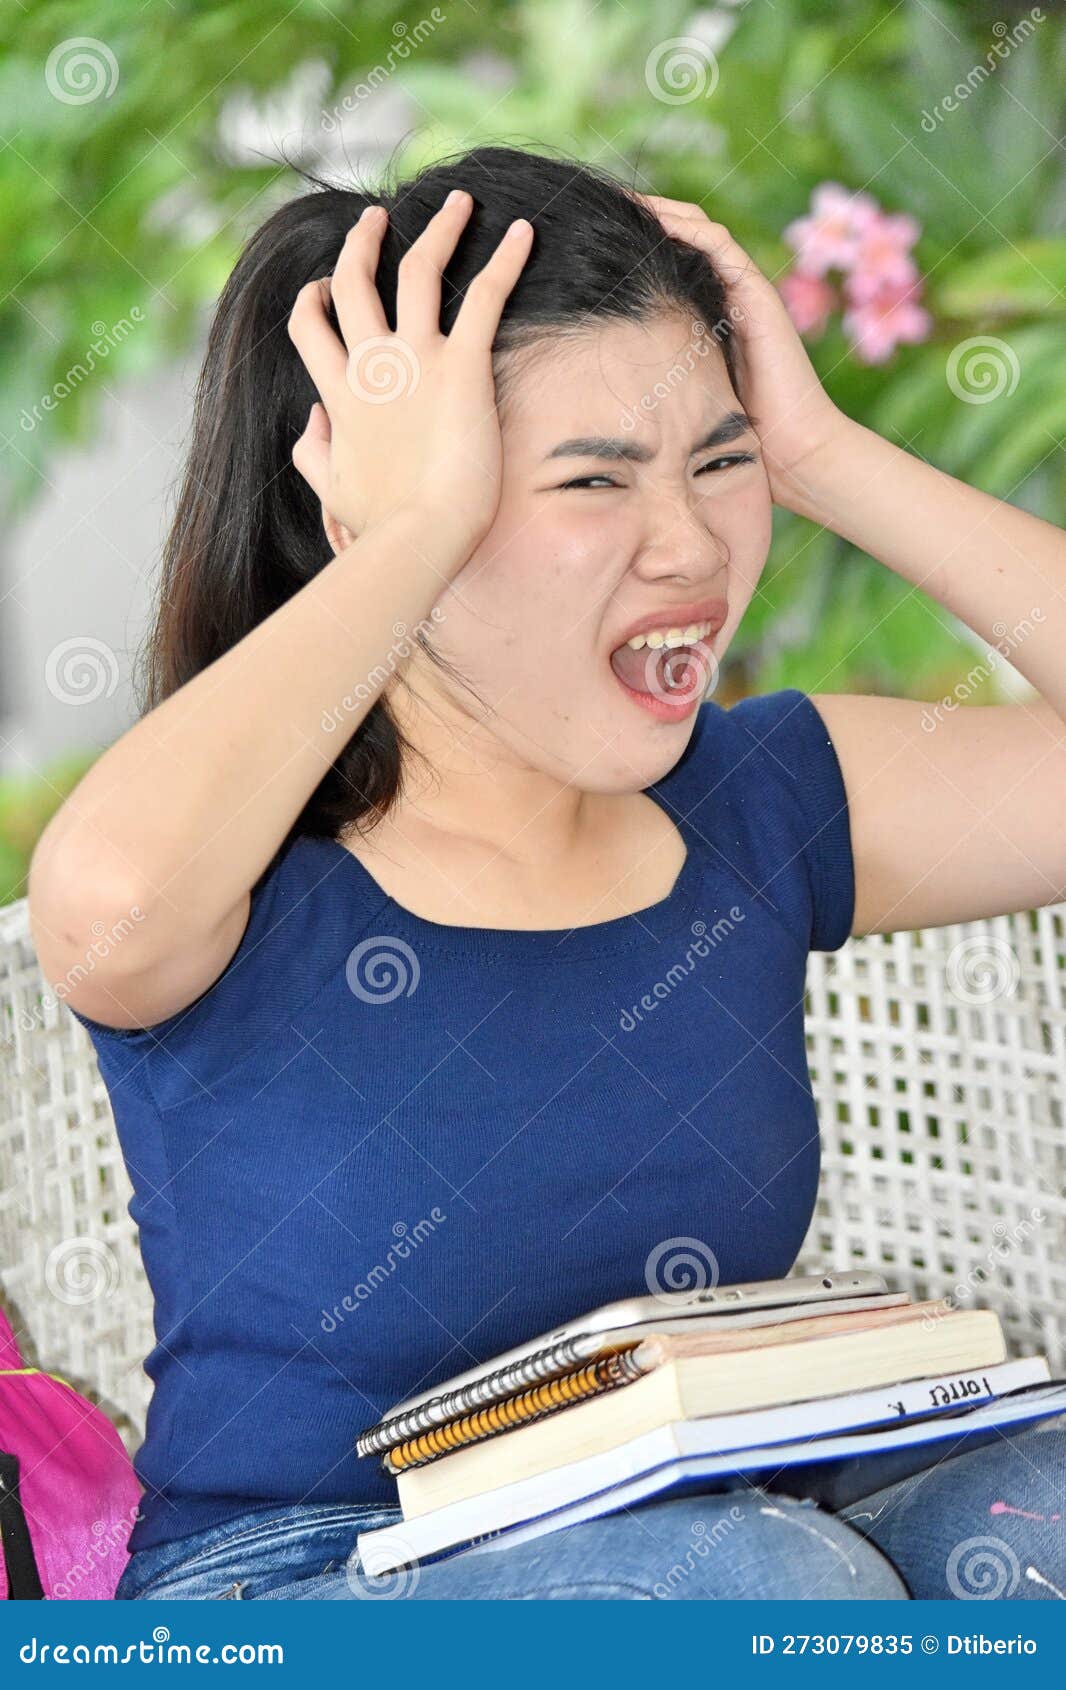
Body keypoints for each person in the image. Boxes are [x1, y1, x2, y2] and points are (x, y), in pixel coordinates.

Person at [27, 146, 1066, 1601]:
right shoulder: (235, 865)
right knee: (759, 1587)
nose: (692, 543)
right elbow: (104, 912)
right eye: (589, 479)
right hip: (297, 1583)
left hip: (724, 1519)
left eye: (720, 460)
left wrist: (824, 452)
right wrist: (409, 535)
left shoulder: (760, 801)